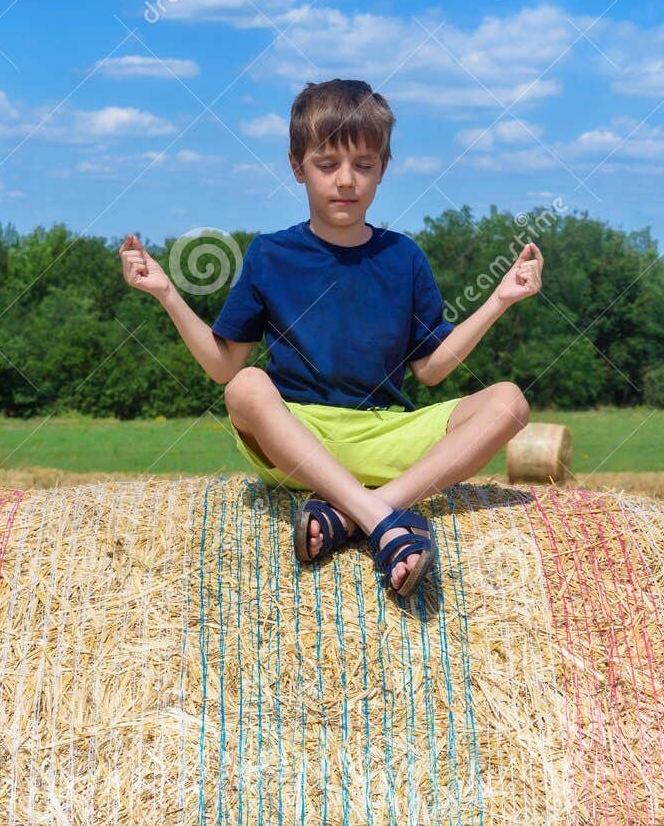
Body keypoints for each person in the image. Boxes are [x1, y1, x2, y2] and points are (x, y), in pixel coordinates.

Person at [120, 77, 541, 600]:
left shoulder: (403, 257)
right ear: (297, 166)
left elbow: (430, 369)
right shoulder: (270, 255)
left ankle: (355, 514)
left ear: (383, 169)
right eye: (328, 165)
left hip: (387, 435)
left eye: (364, 165)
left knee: (510, 403)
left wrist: (498, 300)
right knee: (247, 386)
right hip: (299, 437)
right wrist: (167, 294)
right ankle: (385, 522)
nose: (347, 180)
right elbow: (225, 367)